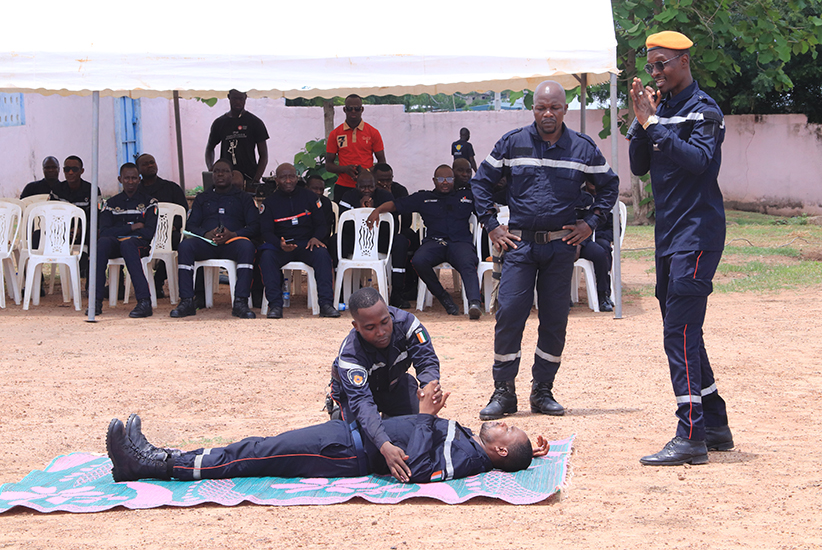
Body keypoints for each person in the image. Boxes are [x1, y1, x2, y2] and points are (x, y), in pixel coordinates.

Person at [471, 80, 619, 420]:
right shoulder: (513, 143)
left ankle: (542, 392)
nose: (547, 113)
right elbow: (481, 183)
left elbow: (609, 186)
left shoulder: (582, 148)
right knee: (509, 314)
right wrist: (492, 225)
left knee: (554, 320)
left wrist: (591, 223)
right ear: (533, 109)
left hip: (561, 247)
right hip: (520, 246)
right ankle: (504, 393)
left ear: (565, 110)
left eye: (554, 107)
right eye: (541, 108)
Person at [628, 31, 733, 466]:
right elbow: (638, 166)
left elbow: (700, 162)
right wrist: (640, 121)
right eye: (651, 66)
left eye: (663, 64)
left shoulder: (704, 110)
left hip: (698, 234)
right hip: (669, 239)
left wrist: (655, 125)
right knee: (685, 330)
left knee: (680, 334)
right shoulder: (662, 109)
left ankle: (690, 436)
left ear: (684, 62)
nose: (656, 73)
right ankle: (715, 424)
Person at [106, 382, 550, 484]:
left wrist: (424, 415)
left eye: (509, 432)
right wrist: (536, 451)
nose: (506, 422)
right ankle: (159, 456)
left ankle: (149, 465)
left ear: (497, 453)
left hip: (343, 453)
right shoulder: (473, 441)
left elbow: (416, 469)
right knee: (253, 448)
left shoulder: (469, 460)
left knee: (254, 455)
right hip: (344, 436)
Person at [329, 288, 445, 479]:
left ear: (389, 313)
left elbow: (427, 361)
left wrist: (429, 388)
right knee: (360, 448)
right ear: (356, 326)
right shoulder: (350, 354)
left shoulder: (408, 324)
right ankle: (339, 416)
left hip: (394, 384)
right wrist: (384, 445)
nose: (381, 332)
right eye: (370, 327)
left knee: (420, 428)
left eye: (385, 322)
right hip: (356, 396)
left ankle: (390, 418)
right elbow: (362, 403)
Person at [368, 165, 483, 319]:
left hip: (460, 242)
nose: (445, 182)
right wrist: (377, 210)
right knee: (418, 260)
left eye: (449, 179)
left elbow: (484, 207)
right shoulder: (423, 198)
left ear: (454, 180)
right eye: (441, 179)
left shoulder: (466, 196)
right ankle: (444, 298)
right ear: (434, 180)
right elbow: (396, 205)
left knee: (468, 261)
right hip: (435, 243)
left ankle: (474, 304)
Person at [170, 158, 259, 319]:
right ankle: (187, 301)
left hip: (232, 242)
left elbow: (254, 226)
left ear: (232, 175)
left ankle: (240, 302)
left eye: (224, 171)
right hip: (207, 244)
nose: (220, 174)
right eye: (216, 171)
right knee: (185, 247)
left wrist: (233, 234)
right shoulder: (202, 198)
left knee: (247, 247)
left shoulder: (243, 198)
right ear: (212, 175)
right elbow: (191, 225)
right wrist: (205, 233)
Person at [258, 163, 340, 319]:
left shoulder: (309, 197)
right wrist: (279, 244)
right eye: (283, 177)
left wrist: (316, 238)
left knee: (322, 255)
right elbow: (266, 232)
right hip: (281, 246)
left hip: (307, 243)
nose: (288, 181)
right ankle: (275, 305)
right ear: (276, 180)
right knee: (267, 258)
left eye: (291, 176)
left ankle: (326, 305)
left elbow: (322, 224)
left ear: (297, 178)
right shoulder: (269, 203)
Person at [89, 163, 158, 318]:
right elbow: (105, 231)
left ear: (139, 179)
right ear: (120, 179)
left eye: (134, 178)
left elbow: (148, 232)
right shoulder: (111, 204)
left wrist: (122, 231)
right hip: (117, 243)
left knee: (128, 244)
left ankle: (144, 302)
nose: (130, 181)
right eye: (127, 178)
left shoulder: (149, 202)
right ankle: (96, 301)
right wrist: (132, 227)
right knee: (102, 244)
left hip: (138, 245)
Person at [338, 171, 410, 308]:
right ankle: (341, 291)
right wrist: (361, 212)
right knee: (335, 240)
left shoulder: (385, 197)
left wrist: (374, 212)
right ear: (356, 185)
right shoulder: (348, 197)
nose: (366, 190)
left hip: (380, 241)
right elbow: (344, 227)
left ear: (375, 185)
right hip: (355, 241)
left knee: (400, 241)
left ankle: (397, 293)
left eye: (370, 187)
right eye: (362, 187)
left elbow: (393, 228)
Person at [136, 153, 188, 298]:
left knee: (180, 243)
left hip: (168, 233)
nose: (150, 165)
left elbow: (183, 211)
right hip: (144, 234)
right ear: (138, 169)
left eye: (152, 162)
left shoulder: (171, 188)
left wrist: (174, 225)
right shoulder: (136, 192)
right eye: (145, 164)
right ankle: (126, 286)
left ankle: (158, 281)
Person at [325, 94, 386, 202]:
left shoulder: (373, 132)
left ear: (362, 109)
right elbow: (329, 165)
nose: (353, 111)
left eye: (357, 108)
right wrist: (345, 169)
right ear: (344, 109)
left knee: (370, 217)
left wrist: (366, 172)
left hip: (367, 188)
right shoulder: (335, 134)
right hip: (343, 186)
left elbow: (382, 162)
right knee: (343, 218)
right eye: (349, 108)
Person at [205, 89, 269, 188]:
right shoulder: (219, 123)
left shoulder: (255, 122)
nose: (238, 102)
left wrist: (256, 179)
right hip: (225, 178)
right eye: (235, 98)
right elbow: (209, 148)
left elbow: (264, 155)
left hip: (249, 177)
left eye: (241, 99)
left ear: (245, 98)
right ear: (229, 97)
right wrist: (211, 168)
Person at [373, 162, 418, 299]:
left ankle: (409, 287)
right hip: (371, 235)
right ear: (373, 178)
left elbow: (407, 222)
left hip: (394, 233)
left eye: (389, 179)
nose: (386, 183)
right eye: (381, 180)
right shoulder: (367, 190)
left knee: (411, 238)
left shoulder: (399, 190)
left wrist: (390, 200)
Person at [576, 182, 616, 312]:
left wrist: (581, 243)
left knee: (601, 251)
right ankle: (563, 296)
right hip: (569, 238)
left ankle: (602, 295)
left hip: (591, 238)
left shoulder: (605, 198)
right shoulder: (577, 195)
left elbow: (614, 228)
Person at [305, 174, 335, 244]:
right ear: (306, 188)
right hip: (302, 239)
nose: (318, 192)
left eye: (321, 189)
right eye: (315, 188)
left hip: (319, 240)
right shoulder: (299, 202)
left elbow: (327, 226)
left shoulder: (326, 202)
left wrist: (317, 238)